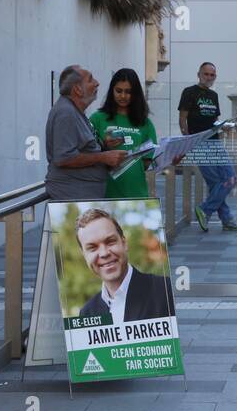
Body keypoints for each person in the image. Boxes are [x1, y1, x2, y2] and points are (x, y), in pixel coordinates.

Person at [75, 208, 176, 322]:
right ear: (84, 255)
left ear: (124, 243)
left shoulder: (166, 290)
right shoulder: (86, 313)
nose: (104, 253)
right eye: (92, 247)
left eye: (110, 241)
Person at [179, 62, 237, 232]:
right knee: (215, 182)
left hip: (215, 141)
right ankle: (227, 220)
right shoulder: (189, 92)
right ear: (199, 74)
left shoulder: (214, 96)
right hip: (199, 142)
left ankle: (205, 210)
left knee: (230, 178)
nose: (208, 77)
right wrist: (188, 141)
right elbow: (182, 119)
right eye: (206, 74)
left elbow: (214, 121)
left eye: (212, 75)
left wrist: (225, 126)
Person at [46, 65, 128, 201]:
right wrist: (103, 157)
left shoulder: (74, 111)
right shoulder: (66, 113)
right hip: (74, 196)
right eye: (90, 80)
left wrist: (105, 148)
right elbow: (63, 158)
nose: (97, 83)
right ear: (77, 89)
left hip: (82, 195)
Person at [90, 68, 158, 200]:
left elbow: (148, 163)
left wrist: (169, 158)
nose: (123, 96)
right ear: (112, 91)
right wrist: (105, 147)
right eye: (118, 91)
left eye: (128, 92)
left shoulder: (145, 123)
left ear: (136, 94)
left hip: (136, 194)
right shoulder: (97, 119)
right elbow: (86, 154)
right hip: (104, 194)